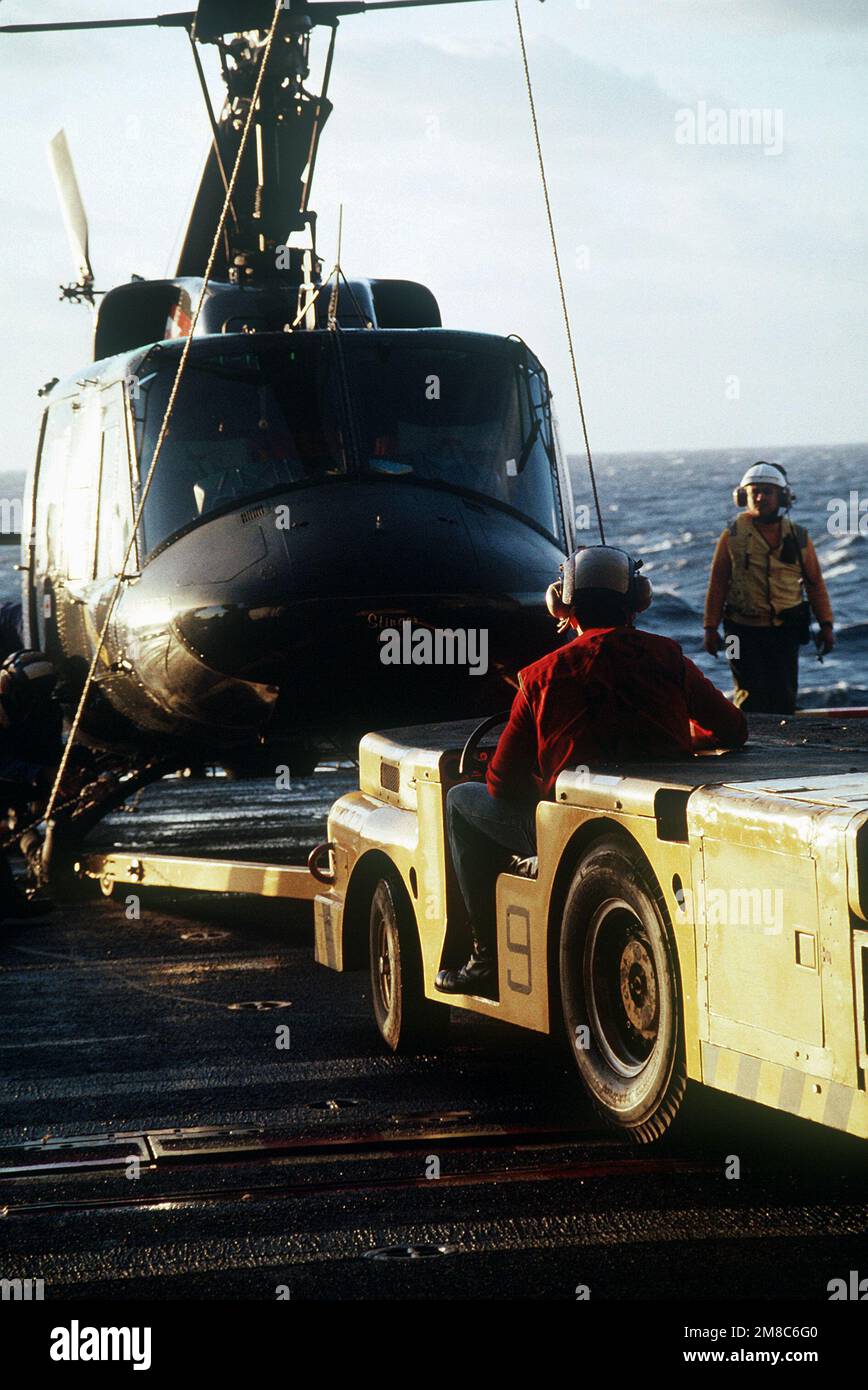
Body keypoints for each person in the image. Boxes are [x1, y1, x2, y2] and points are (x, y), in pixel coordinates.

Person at [436, 545, 748, 999]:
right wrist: (690, 738)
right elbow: (733, 729)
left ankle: (485, 957)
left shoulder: (540, 676)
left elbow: (501, 783)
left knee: (460, 801)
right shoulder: (669, 658)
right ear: (637, 601)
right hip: (657, 824)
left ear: (563, 606)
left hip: (569, 832)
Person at [703, 462, 834, 714]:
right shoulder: (731, 535)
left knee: (784, 695)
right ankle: (750, 747)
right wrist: (710, 628)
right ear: (743, 497)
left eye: (768, 491)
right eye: (754, 492)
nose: (760, 498)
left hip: (785, 631)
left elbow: (815, 584)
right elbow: (717, 584)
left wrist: (826, 625)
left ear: (783, 496)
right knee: (746, 695)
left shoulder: (798, 536)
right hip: (737, 630)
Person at [0, 650, 65, 922]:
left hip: (25, 774)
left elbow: (50, 750)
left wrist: (53, 785)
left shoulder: (47, 710)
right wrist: (40, 774)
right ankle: (11, 904)